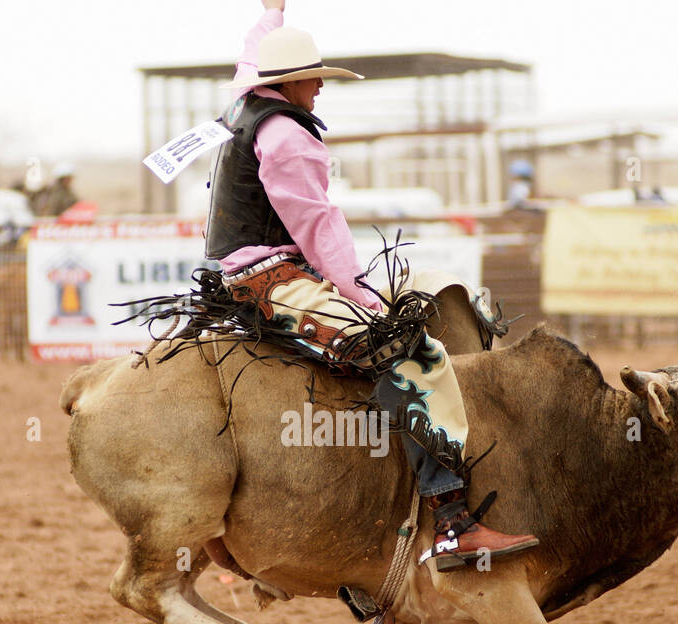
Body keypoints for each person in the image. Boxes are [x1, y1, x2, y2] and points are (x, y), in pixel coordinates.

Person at [206, 0, 537, 571]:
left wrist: (271, 14)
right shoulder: (289, 138)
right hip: (270, 279)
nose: (320, 88)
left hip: (240, 270)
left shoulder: (246, 101)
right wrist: (357, 291)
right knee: (409, 351)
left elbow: (249, 53)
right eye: (314, 78)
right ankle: (453, 520)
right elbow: (317, 223)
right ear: (293, 81)